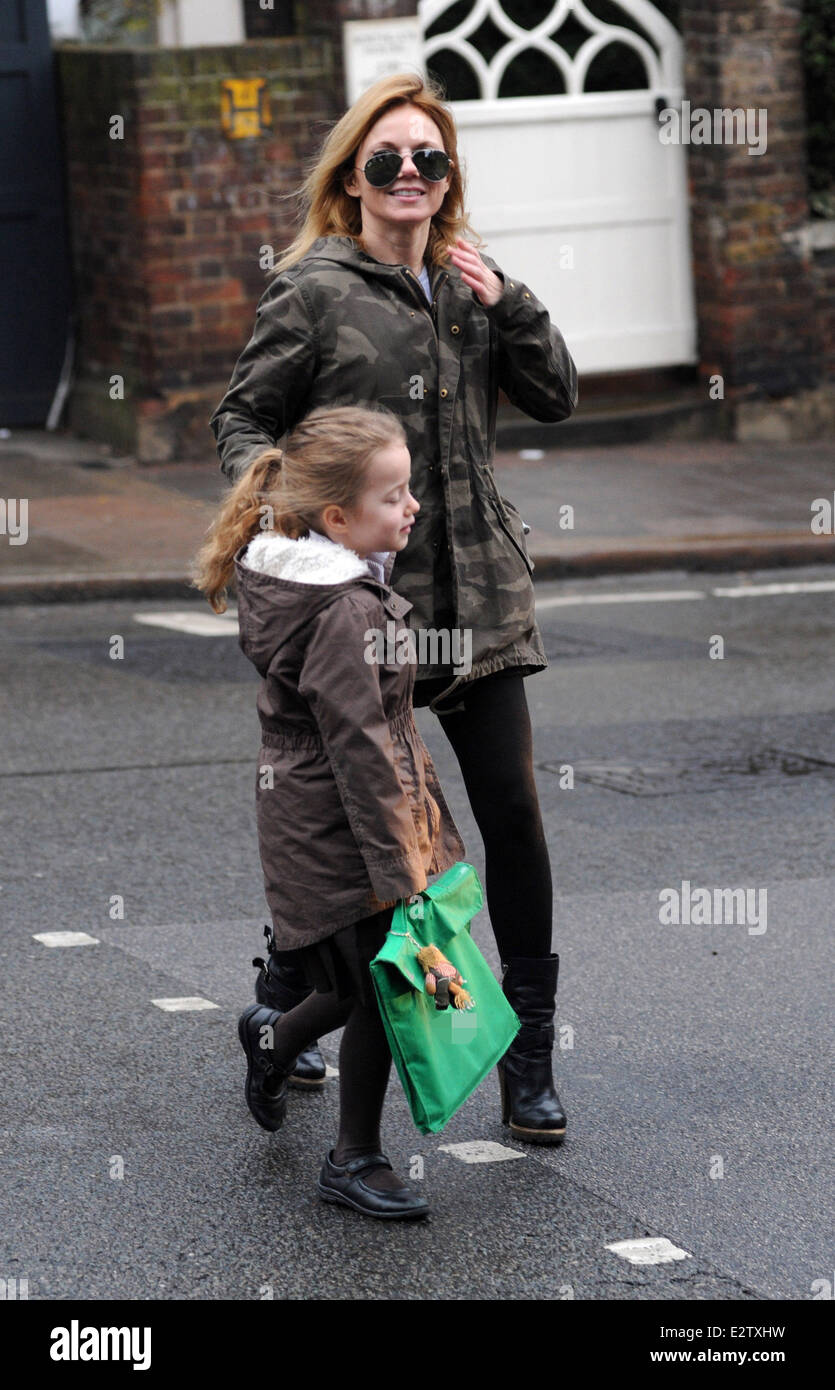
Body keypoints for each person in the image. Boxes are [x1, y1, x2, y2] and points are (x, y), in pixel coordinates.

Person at [209, 71, 579, 1144]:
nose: (410, 173)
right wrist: (285, 529)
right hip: (362, 605)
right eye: (388, 160)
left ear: (447, 175)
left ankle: (526, 1057)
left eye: (429, 158)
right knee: (348, 812)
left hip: (480, 591)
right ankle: (290, 992)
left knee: (507, 812)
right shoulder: (312, 288)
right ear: (354, 179)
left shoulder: (473, 280)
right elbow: (245, 419)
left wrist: (511, 299)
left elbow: (555, 393)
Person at [191, 403, 465, 1219]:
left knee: (359, 984)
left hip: (337, 811)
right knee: (381, 983)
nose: (410, 506)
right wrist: (401, 872)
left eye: (408, 489)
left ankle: (272, 1040)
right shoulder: (344, 609)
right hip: (338, 821)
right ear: (337, 517)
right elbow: (360, 747)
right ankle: (353, 1159)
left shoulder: (339, 586)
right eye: (392, 496)